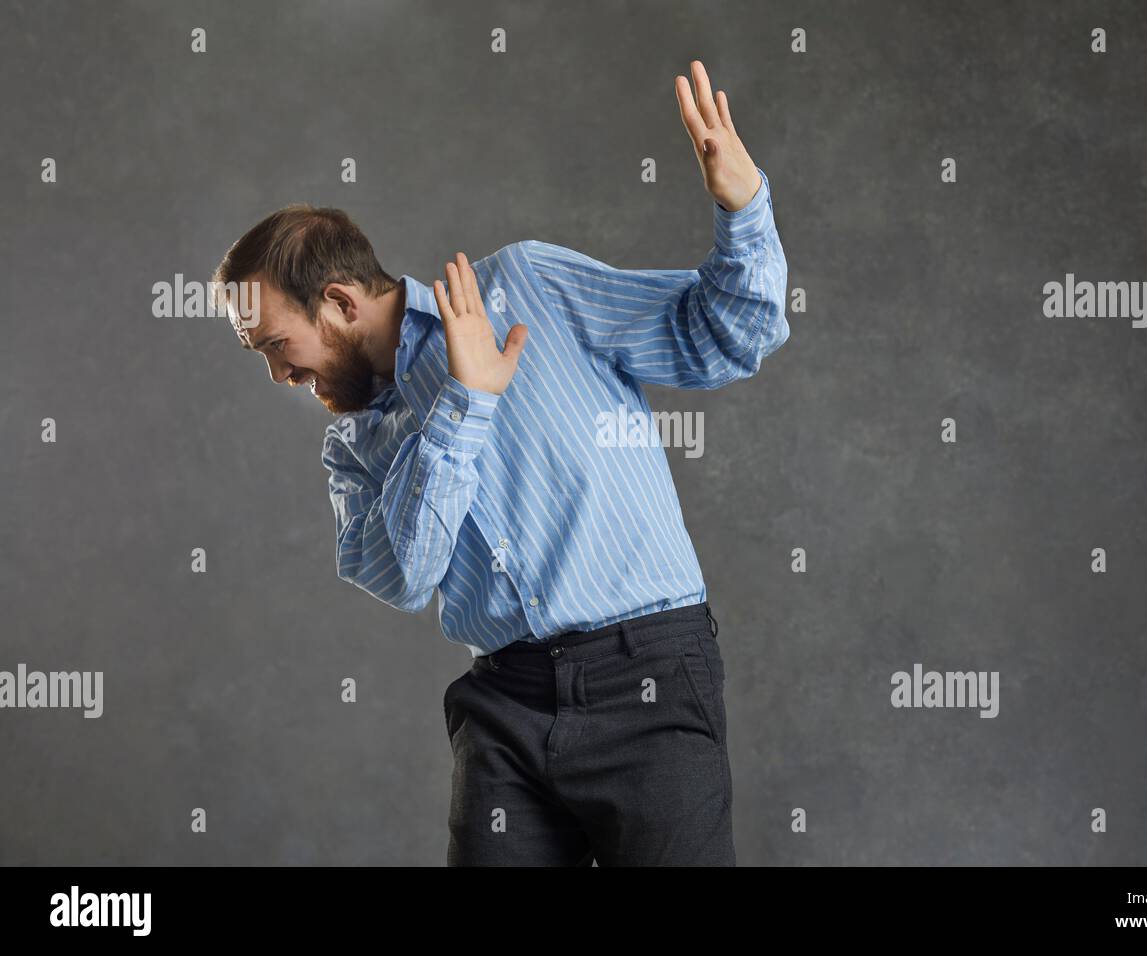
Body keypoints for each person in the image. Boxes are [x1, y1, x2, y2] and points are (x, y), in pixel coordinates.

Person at [212, 60, 789, 865]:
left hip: (647, 678)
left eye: (276, 346)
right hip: (504, 707)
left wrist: (744, 207)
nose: (279, 375)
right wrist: (465, 403)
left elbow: (727, 337)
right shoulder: (351, 447)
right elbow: (405, 576)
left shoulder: (526, 286)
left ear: (340, 304)